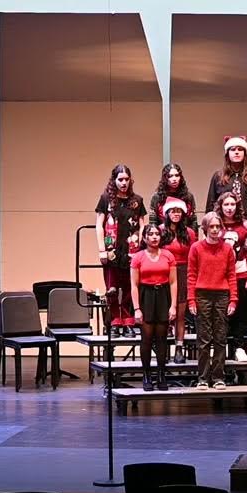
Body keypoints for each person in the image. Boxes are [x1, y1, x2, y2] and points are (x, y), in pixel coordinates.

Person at [187, 212, 237, 389]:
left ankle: (218, 377)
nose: (215, 230)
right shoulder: (196, 248)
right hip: (202, 295)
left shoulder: (227, 249)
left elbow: (232, 275)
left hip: (222, 295)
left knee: (220, 338)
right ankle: (202, 378)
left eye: (218, 226)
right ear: (205, 228)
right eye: (212, 226)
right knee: (204, 338)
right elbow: (191, 275)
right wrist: (191, 300)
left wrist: (233, 300)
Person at [94, 164, 143, 336]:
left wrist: (141, 249)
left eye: (126, 179)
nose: (123, 183)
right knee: (112, 287)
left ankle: (128, 320)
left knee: (130, 286)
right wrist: (102, 249)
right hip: (111, 249)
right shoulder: (106, 198)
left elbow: (142, 225)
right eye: (120, 179)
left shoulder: (137, 200)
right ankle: (115, 320)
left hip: (131, 250)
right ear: (114, 180)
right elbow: (99, 225)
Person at [130, 224, 178, 391]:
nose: (155, 237)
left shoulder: (168, 255)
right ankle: (146, 375)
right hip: (146, 296)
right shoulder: (138, 257)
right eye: (150, 234)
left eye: (157, 234)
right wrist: (137, 308)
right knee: (147, 338)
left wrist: (173, 306)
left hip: (163, 294)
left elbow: (173, 282)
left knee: (162, 338)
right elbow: (134, 285)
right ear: (144, 238)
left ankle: (161, 374)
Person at [214, 192, 247, 364]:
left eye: (232, 204)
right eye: (226, 204)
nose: (229, 208)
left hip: (241, 273)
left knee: (241, 311)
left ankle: (239, 347)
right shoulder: (214, 223)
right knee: (223, 312)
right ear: (221, 206)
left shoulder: (245, 225)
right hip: (220, 276)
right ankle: (222, 349)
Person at [159, 198, 198, 364]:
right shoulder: (160, 231)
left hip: (183, 273)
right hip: (163, 273)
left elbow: (195, 255)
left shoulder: (189, 233)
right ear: (167, 213)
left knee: (180, 314)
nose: (175, 214)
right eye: (172, 211)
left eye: (179, 211)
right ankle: (161, 348)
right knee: (163, 313)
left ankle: (179, 349)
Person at [206, 135, 247, 233]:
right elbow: (210, 206)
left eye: (240, 149)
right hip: (223, 230)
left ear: (245, 153)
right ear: (227, 154)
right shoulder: (218, 176)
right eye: (233, 149)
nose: (236, 152)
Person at [149, 162, 198, 227]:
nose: (174, 179)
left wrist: (194, 236)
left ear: (181, 177)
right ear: (165, 178)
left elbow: (193, 221)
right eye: (170, 176)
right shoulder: (157, 197)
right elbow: (153, 223)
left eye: (177, 175)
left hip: (184, 234)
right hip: (163, 234)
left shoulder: (188, 196)